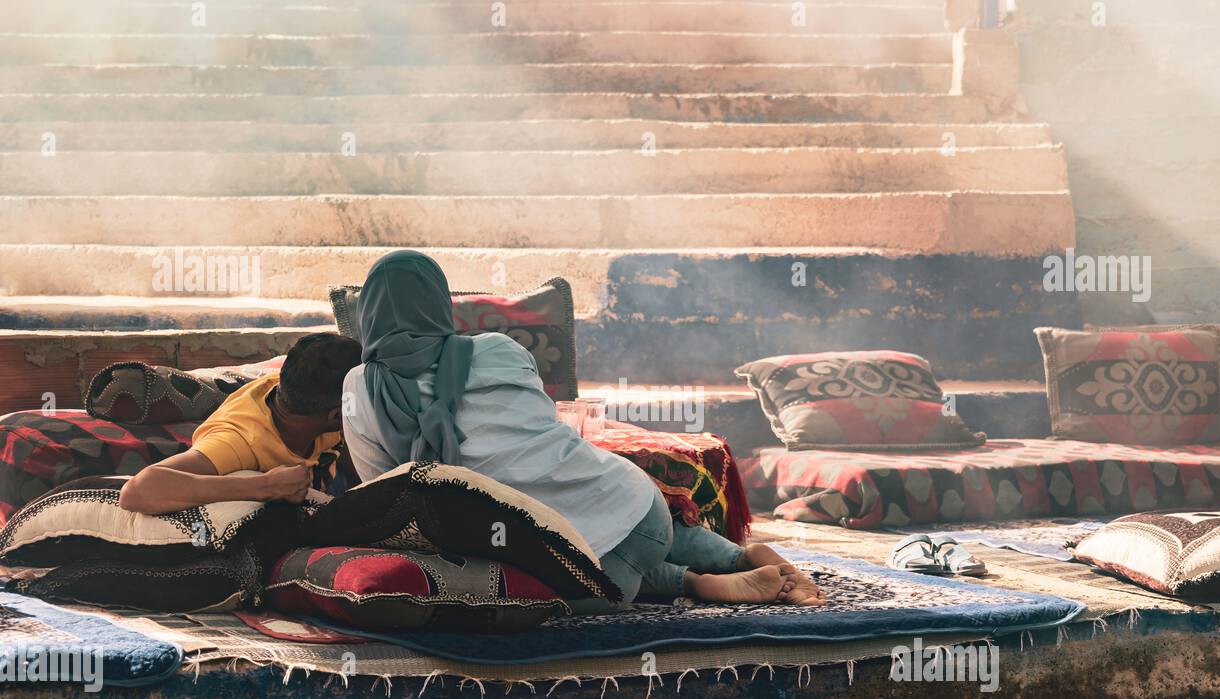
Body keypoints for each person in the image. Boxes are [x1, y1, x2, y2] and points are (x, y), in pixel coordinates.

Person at [340, 250, 824, 611]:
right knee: (606, 515)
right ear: (437, 304)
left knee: (552, 572)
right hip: (640, 507)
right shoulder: (497, 349)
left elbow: (386, 492)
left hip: (568, 564)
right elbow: (536, 430)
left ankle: (691, 584)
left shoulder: (360, 389)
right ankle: (738, 561)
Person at [118, 333, 361, 514]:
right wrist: (266, 485)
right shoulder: (238, 440)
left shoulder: (312, 392)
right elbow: (137, 492)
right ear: (337, 416)